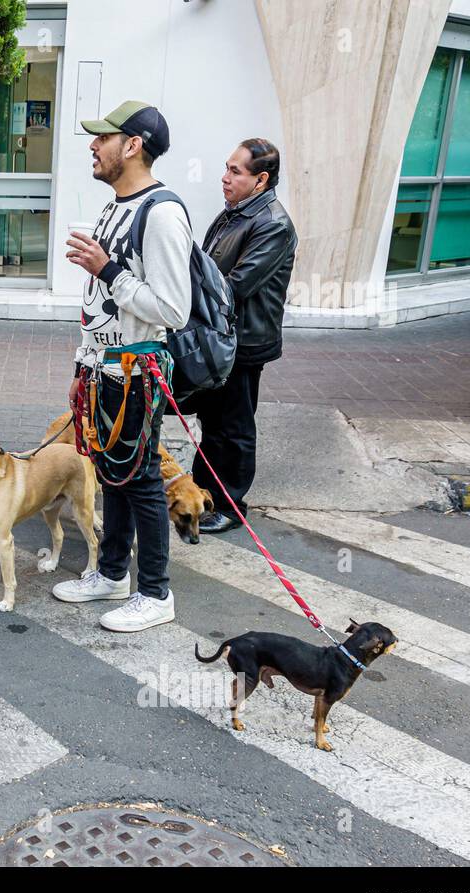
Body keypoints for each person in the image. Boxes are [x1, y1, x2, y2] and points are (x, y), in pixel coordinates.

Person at [51, 100, 192, 633]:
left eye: (103, 138)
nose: (93, 145)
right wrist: (81, 366)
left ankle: (155, 592)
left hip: (136, 372)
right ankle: (111, 572)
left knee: (142, 481)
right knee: (114, 477)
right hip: (104, 371)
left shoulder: (162, 212)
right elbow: (98, 305)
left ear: (133, 145)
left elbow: (173, 309)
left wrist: (108, 269)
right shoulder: (116, 206)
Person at [193, 139, 297, 534]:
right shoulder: (234, 213)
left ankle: (231, 506)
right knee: (213, 421)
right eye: (226, 168)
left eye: (236, 171)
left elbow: (234, 287)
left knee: (234, 427)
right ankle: (204, 495)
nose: (225, 177)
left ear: (261, 179)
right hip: (221, 337)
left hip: (246, 343)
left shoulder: (272, 223)